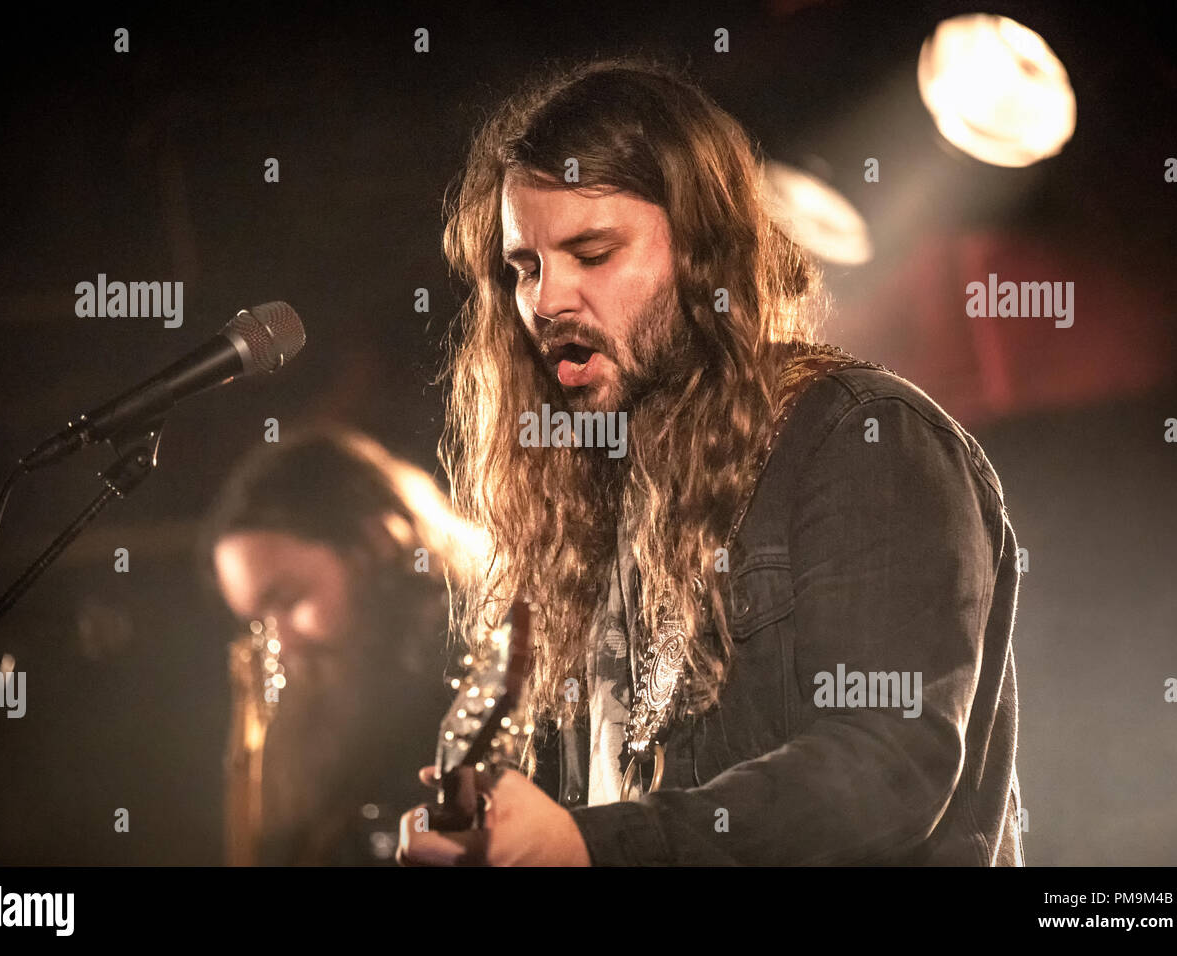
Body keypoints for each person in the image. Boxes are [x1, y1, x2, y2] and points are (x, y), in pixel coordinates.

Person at [396, 58, 1024, 866]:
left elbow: (888, 765)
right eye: (524, 268)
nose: (546, 302)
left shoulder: (863, 438)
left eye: (591, 253)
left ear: (703, 253)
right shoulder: (594, 499)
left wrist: (592, 847)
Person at [203, 426, 481, 864]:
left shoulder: (490, 667)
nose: (281, 643)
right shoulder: (323, 721)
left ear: (374, 542)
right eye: (257, 623)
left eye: (289, 599)